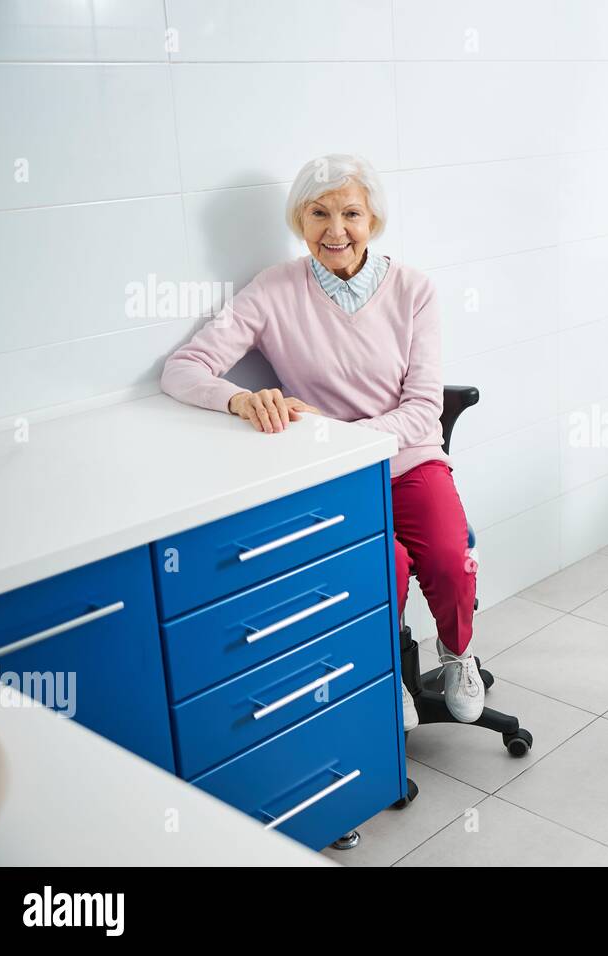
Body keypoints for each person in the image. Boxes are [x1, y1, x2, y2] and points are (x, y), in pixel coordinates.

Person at [160, 153, 481, 731]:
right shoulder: (273, 290)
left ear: (373, 221)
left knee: (450, 558)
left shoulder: (414, 291)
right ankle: (387, 676)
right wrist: (237, 399)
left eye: (351, 214)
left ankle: (457, 656)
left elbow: (422, 410)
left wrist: (344, 435)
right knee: (386, 564)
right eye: (319, 214)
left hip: (408, 459)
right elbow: (182, 369)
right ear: (300, 221)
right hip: (333, 473)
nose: (336, 230)